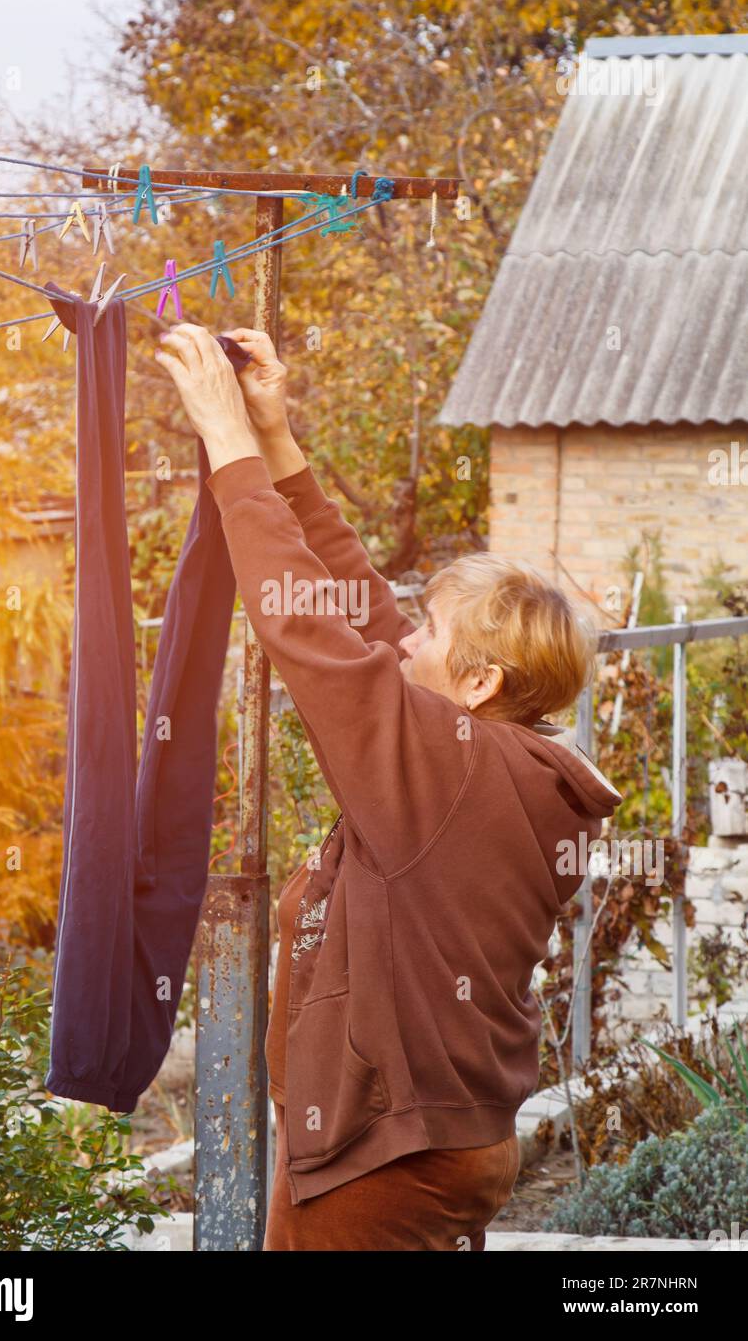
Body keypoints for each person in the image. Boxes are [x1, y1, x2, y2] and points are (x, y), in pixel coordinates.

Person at [155, 324, 622, 1251]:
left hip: (385, 1161)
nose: (402, 640)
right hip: (433, 1139)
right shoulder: (489, 757)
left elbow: (308, 631)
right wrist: (277, 442)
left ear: (480, 683)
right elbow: (356, 608)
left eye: (429, 634)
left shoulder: (446, 764)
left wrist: (229, 447)